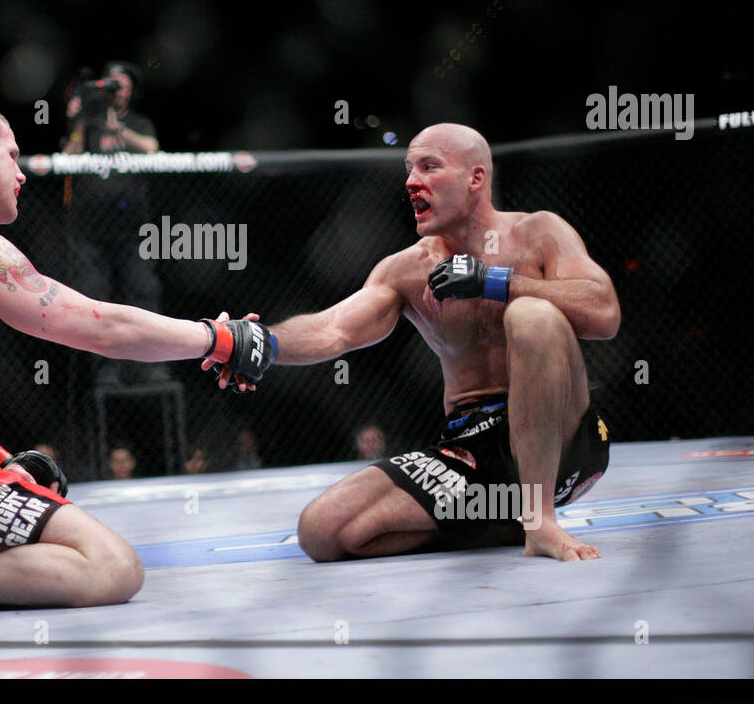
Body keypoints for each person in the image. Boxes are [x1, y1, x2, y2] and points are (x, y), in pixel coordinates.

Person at [0, 102, 269, 625]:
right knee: (113, 567)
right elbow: (101, 327)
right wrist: (216, 337)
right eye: (12, 154)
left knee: (70, 529)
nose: (21, 173)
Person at [206, 123, 619, 562]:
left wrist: (495, 282)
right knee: (323, 530)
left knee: (531, 315)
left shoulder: (539, 232)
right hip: (474, 453)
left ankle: (539, 521)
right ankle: (503, 523)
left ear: (475, 178)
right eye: (408, 169)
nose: (410, 182)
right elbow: (335, 329)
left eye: (428, 166)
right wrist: (262, 344)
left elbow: (604, 313)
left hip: (564, 443)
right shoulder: (405, 269)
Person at [61, 62, 165, 384]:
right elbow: (69, 158)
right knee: (95, 295)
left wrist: (115, 128)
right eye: (112, 86)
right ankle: (106, 369)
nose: (118, 92)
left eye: (123, 87)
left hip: (132, 228)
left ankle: (150, 365)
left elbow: (151, 149)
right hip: (90, 228)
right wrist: (80, 122)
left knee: (143, 290)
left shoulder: (138, 123)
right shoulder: (86, 124)